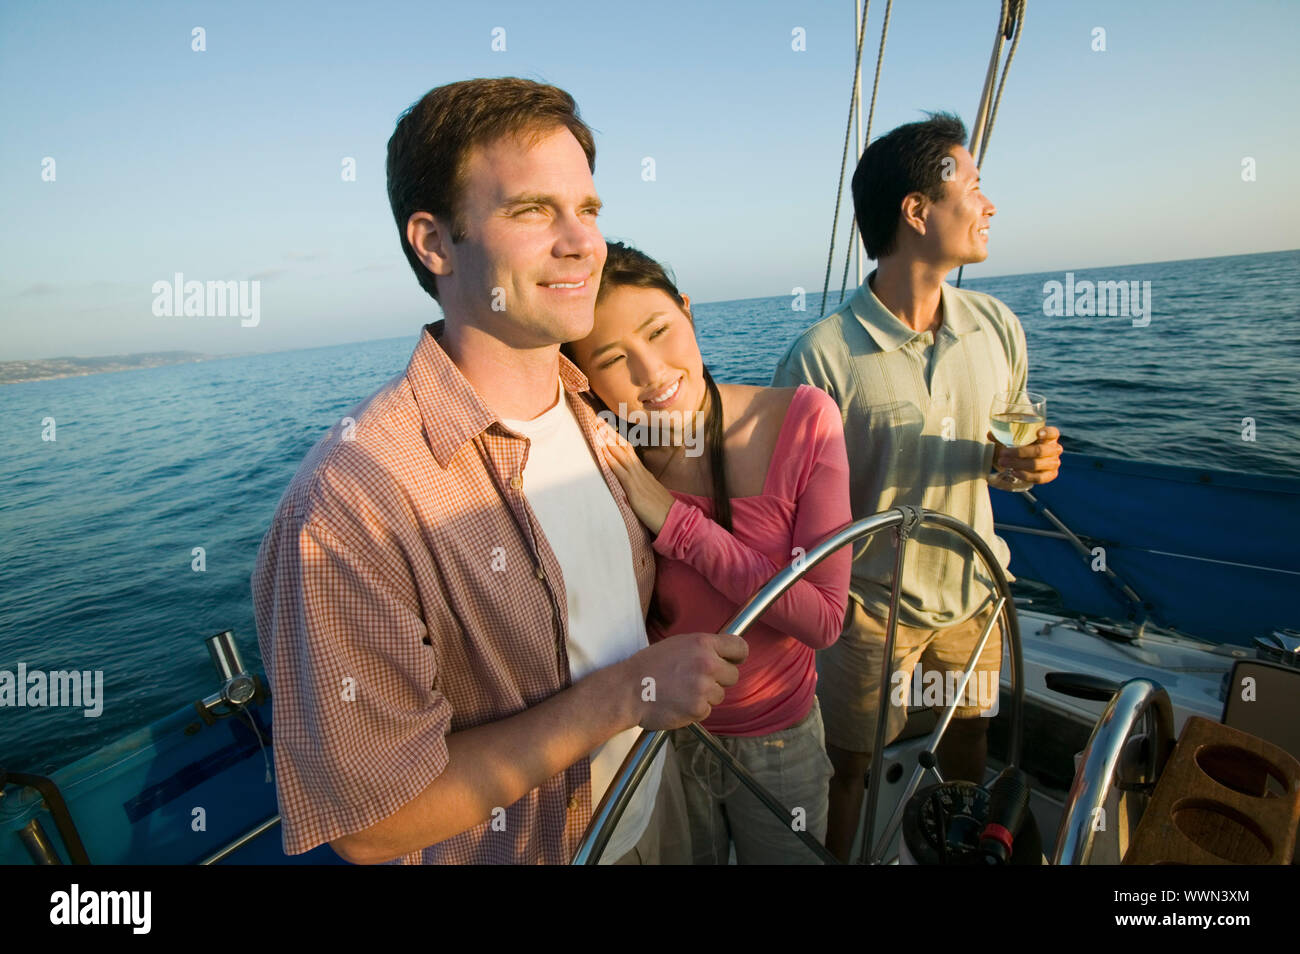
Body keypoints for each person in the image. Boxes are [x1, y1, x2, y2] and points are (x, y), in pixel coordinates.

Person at [251, 78, 748, 865]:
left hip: (653, 801)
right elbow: (371, 822)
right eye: (531, 210)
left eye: (587, 210)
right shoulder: (352, 504)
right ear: (435, 242)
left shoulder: (592, 413)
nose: (583, 242)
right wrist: (626, 695)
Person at [772, 112, 1063, 862]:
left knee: (968, 743)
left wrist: (1023, 469)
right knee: (849, 767)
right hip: (869, 611)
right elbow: (788, 509)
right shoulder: (822, 359)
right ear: (917, 210)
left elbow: (1007, 450)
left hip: (974, 592)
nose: (989, 204)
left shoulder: (997, 326)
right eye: (974, 186)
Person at [564, 241, 852, 863]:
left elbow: (824, 617)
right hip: (660, 742)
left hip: (780, 742)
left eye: (660, 330)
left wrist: (675, 522)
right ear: (584, 382)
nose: (651, 373)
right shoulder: (605, 458)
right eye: (615, 359)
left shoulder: (803, 419)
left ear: (688, 312)